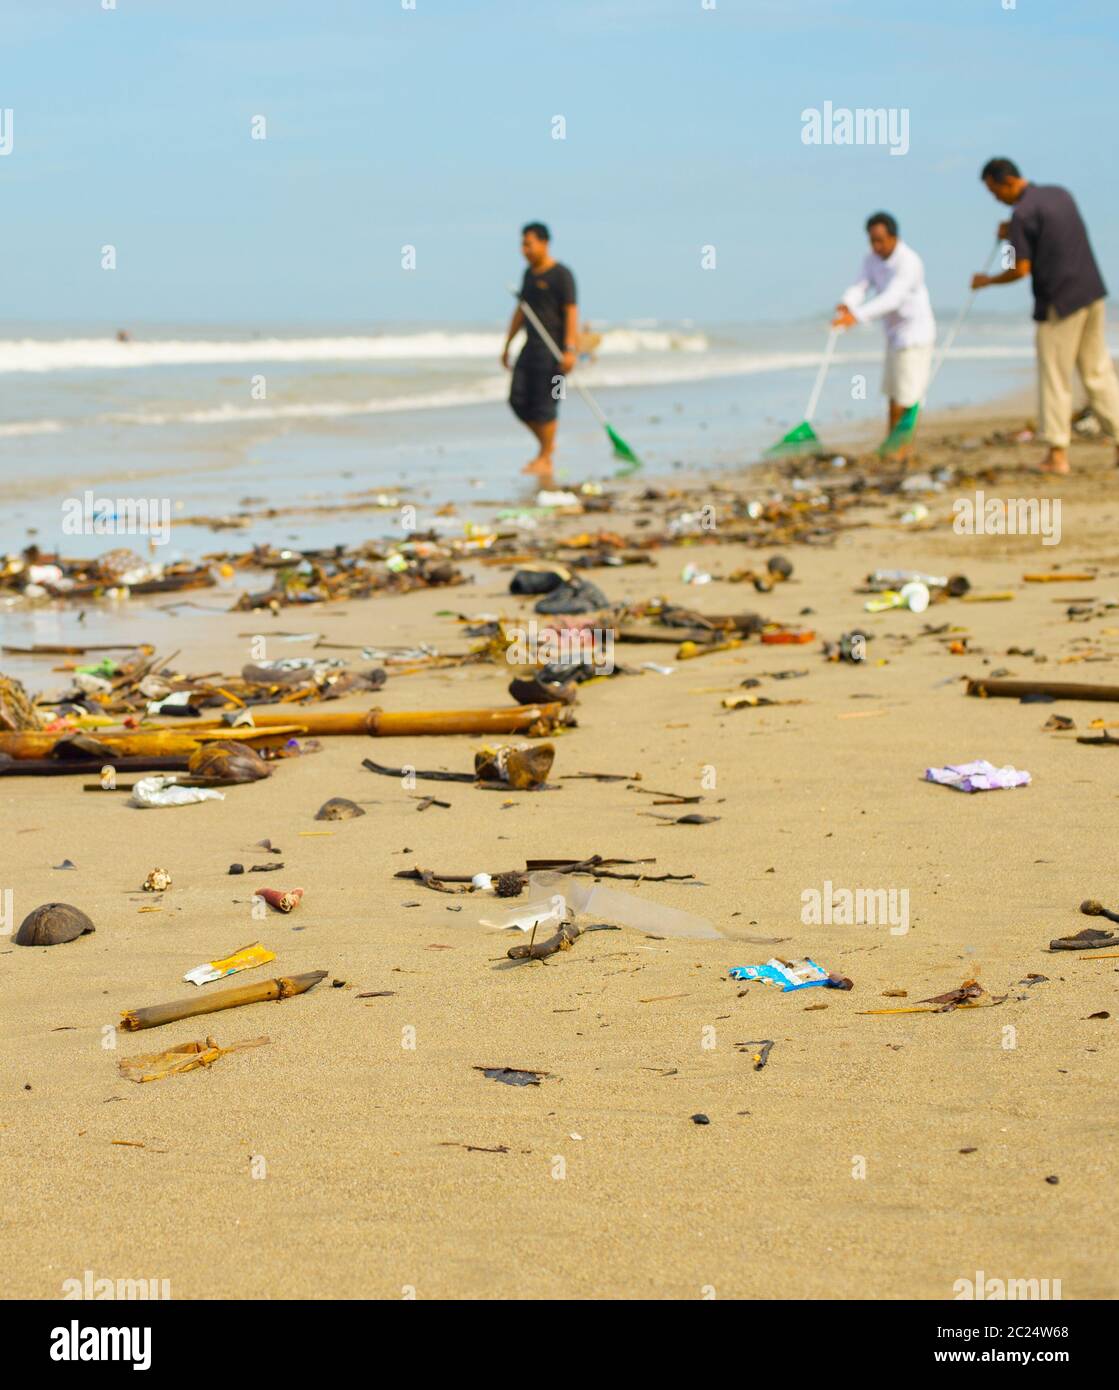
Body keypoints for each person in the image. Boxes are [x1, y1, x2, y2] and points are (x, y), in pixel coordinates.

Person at [973, 157, 1119, 475]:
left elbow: (1019, 269)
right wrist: (1013, 231)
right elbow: (1051, 235)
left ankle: (1057, 454)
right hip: (1091, 292)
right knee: (1098, 371)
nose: (996, 198)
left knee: (1055, 375)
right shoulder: (1059, 194)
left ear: (1008, 182)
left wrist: (987, 281)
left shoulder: (1022, 213)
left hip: (1060, 302)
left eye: (995, 191)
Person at [833, 212, 936, 457]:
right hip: (893, 334)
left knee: (909, 395)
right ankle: (891, 441)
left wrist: (856, 317)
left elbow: (892, 298)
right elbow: (861, 285)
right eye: (872, 241)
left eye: (880, 240)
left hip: (915, 335)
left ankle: (903, 446)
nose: (876, 246)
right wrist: (847, 303)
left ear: (893, 237)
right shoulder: (871, 259)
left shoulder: (909, 262)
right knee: (892, 392)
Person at [502, 223, 578, 487]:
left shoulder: (561, 275)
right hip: (530, 347)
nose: (524, 249)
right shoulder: (529, 276)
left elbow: (571, 312)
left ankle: (545, 457)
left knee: (548, 404)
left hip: (554, 351)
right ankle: (547, 446)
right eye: (522, 244)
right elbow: (521, 311)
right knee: (517, 400)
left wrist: (570, 349)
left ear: (544, 243)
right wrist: (507, 344)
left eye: (528, 243)